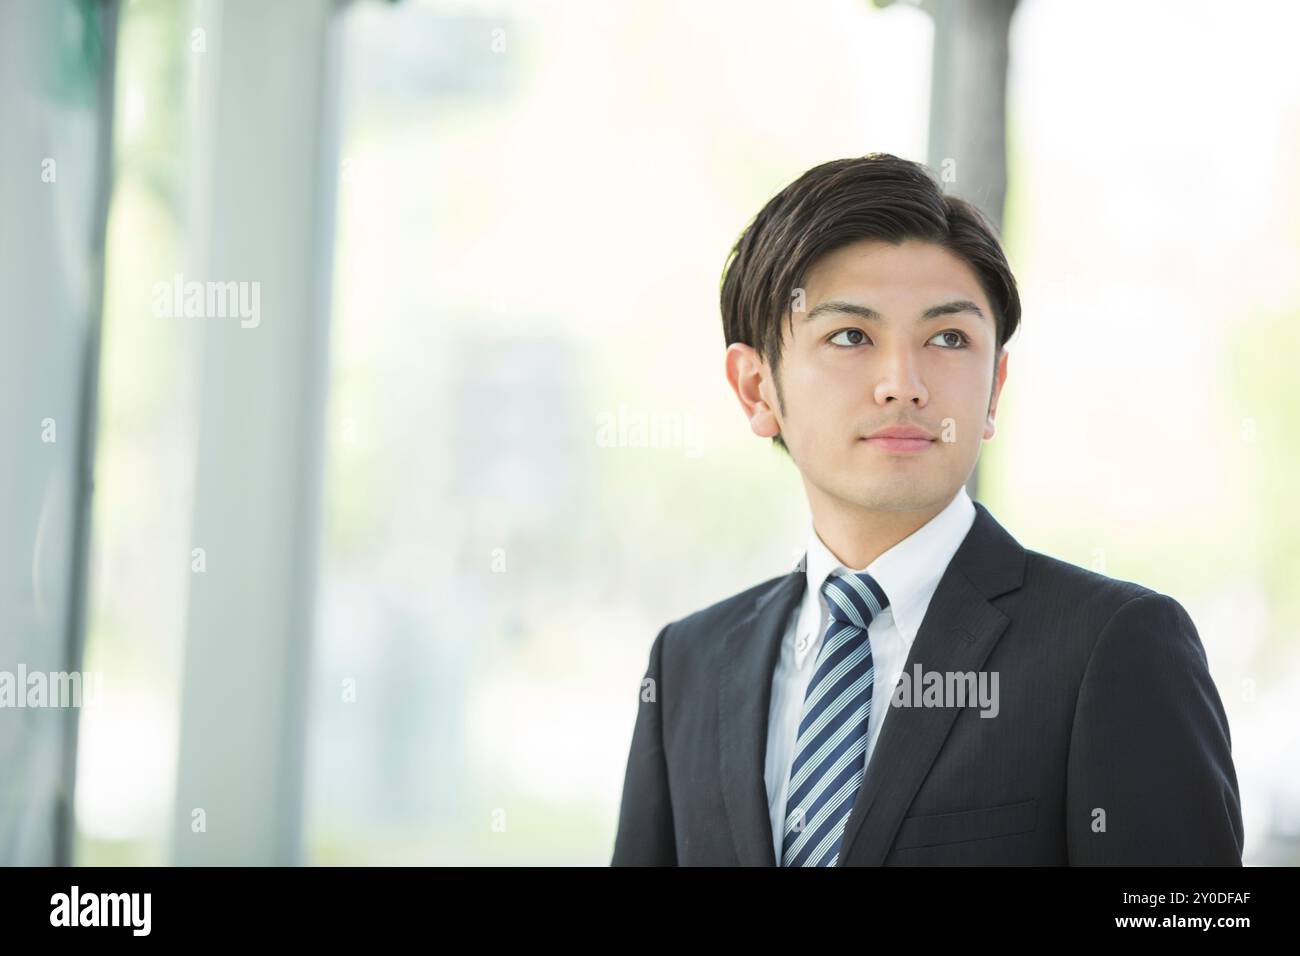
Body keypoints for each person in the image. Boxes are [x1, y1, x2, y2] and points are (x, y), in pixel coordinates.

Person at [610, 153, 1243, 866]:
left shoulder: (1112, 647)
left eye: (949, 339)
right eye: (850, 336)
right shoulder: (691, 664)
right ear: (756, 388)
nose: (902, 385)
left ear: (994, 387)